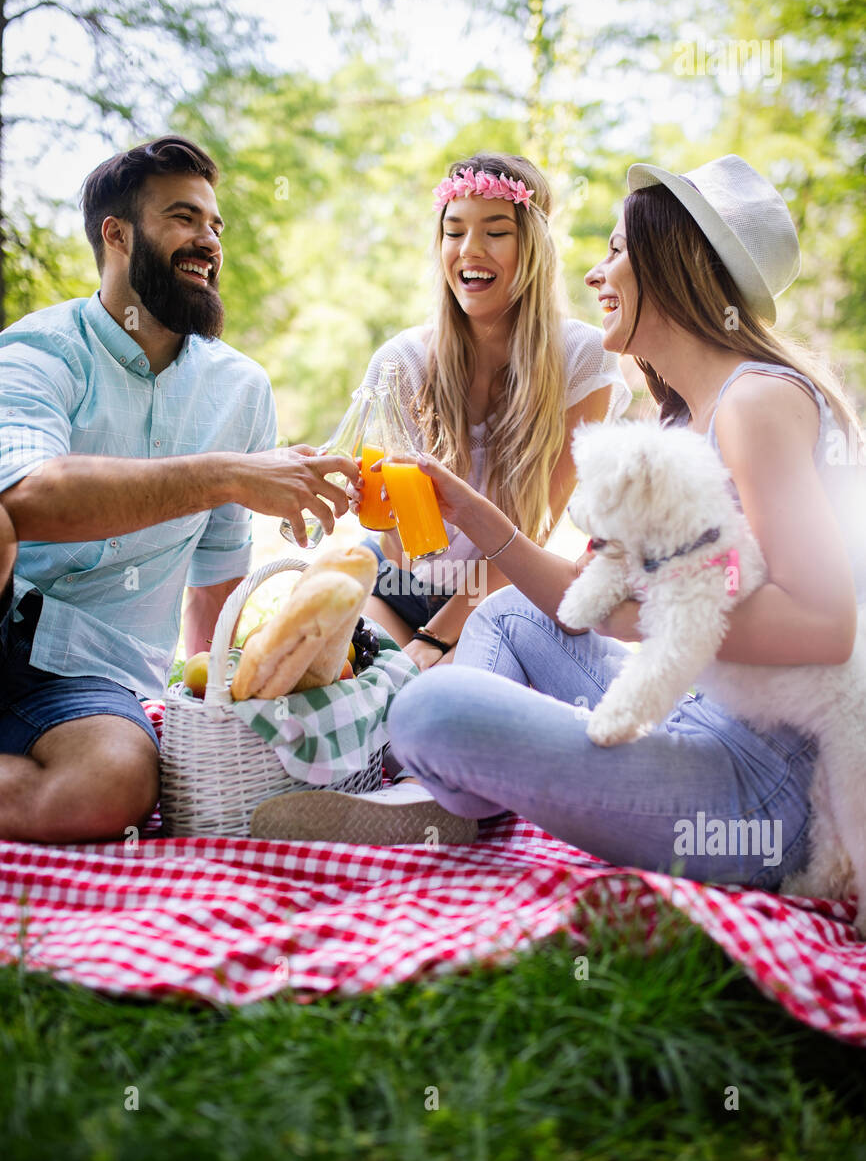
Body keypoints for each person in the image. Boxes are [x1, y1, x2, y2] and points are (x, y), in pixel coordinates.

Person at [268, 153, 866, 869]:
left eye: (616, 251)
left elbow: (827, 627)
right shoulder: (681, 419)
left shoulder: (756, 404)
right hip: (685, 711)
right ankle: (451, 796)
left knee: (428, 710)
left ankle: (451, 775)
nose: (594, 275)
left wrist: (635, 612)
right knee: (508, 615)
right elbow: (583, 597)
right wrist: (475, 514)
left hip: (761, 790)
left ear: (675, 265)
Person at [0, 135, 358, 845]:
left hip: (88, 681)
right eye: (183, 218)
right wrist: (225, 472)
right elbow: (26, 498)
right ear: (117, 234)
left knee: (116, 782)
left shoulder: (240, 388)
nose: (208, 240)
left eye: (215, 225)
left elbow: (217, 582)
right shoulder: (38, 350)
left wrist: (216, 704)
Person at [357, 152, 629, 672]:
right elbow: (393, 539)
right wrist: (375, 505)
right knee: (367, 698)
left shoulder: (583, 359)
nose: (469, 250)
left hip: (504, 593)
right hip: (397, 584)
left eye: (496, 232)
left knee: (450, 709)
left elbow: (534, 529)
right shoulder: (402, 362)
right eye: (453, 232)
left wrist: (437, 638)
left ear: (534, 246)